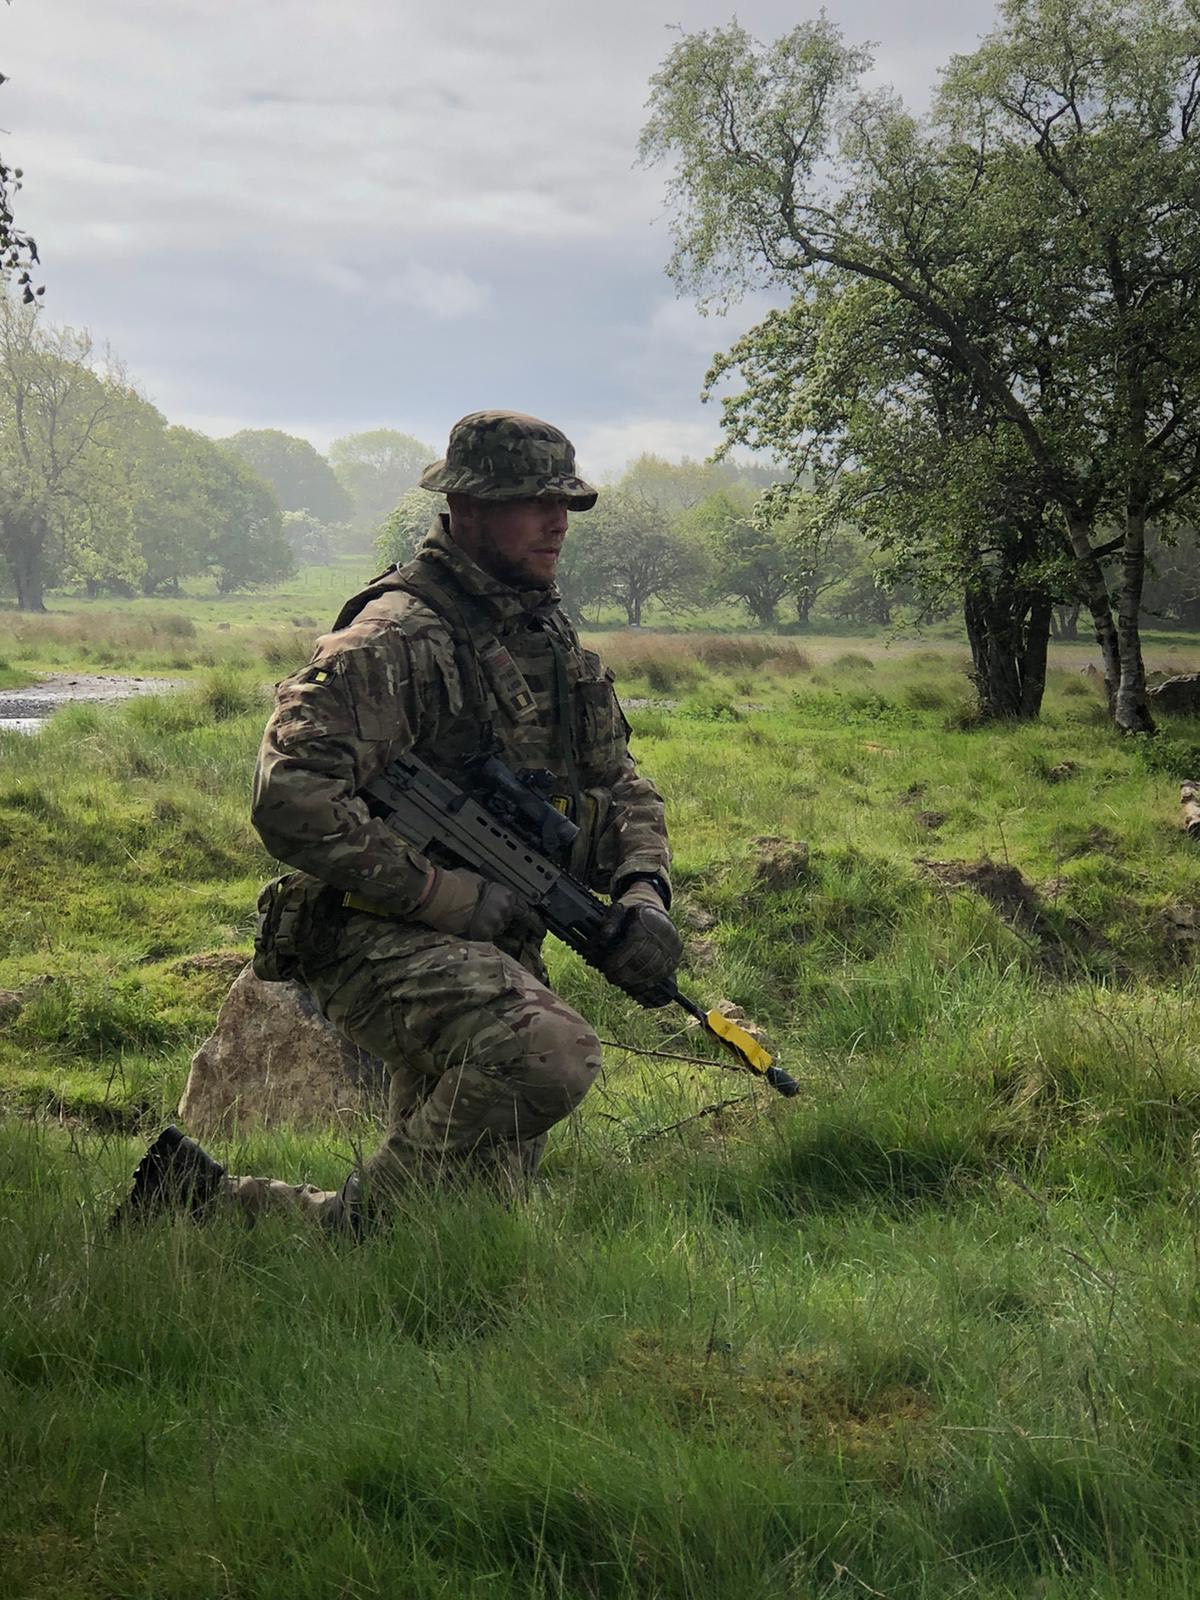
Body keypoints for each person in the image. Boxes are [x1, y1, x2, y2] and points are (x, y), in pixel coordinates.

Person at [113, 410, 682, 1231]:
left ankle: (200, 1206)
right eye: (534, 501)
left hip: (492, 938)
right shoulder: (392, 637)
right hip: (371, 931)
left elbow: (620, 784)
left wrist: (642, 892)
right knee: (547, 1054)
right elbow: (290, 798)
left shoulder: (544, 635)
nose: (557, 522)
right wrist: (444, 895)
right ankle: (341, 1226)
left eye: (566, 503)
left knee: (455, 1226)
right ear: (471, 509)